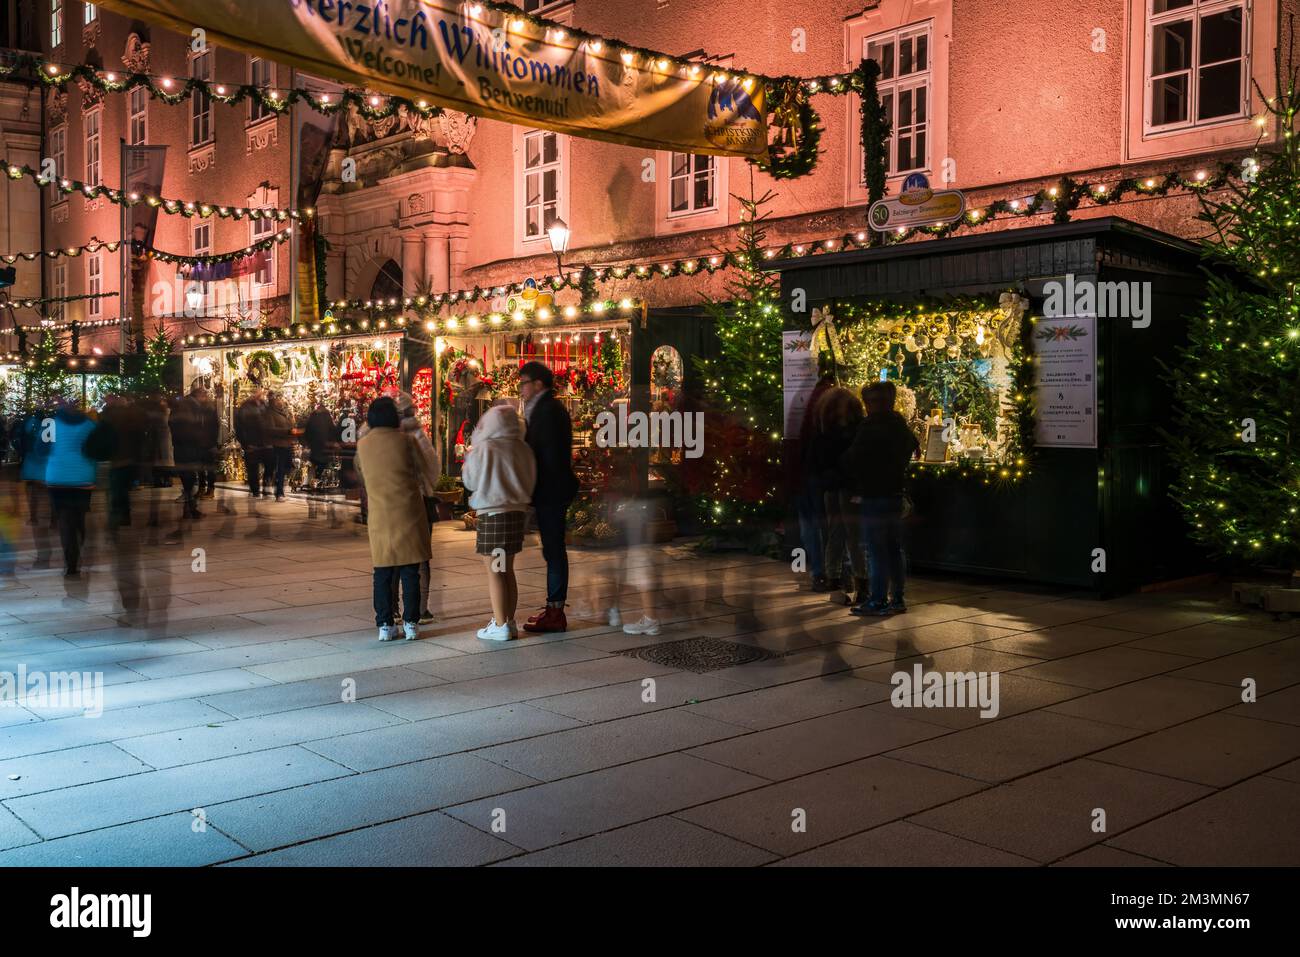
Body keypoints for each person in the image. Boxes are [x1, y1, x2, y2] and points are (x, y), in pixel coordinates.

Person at [841, 380, 920, 616]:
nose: (869, 406)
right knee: (894, 548)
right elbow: (912, 446)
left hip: (875, 493)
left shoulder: (870, 426)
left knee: (876, 550)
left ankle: (877, 599)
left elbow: (853, 458)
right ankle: (897, 597)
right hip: (895, 492)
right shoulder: (899, 425)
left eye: (871, 401)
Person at [355, 397, 431, 642]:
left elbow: (361, 472)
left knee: (383, 572)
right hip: (409, 511)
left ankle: (385, 624)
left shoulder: (363, 445)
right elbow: (423, 469)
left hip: (380, 514)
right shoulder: (407, 441)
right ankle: (411, 623)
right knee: (411, 570)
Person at [462, 403, 537, 641]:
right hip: (516, 514)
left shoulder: (485, 448)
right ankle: (509, 621)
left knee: (494, 570)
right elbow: (532, 479)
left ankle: (500, 623)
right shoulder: (522, 448)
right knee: (507, 569)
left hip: (492, 513)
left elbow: (470, 481)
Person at [518, 361, 578, 634]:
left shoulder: (546, 411)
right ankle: (553, 607)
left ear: (538, 384)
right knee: (552, 549)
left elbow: (546, 455)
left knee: (553, 550)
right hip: (552, 489)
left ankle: (556, 611)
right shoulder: (547, 409)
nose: (521, 390)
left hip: (551, 491)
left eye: (524, 384)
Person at [810, 386, 867, 605]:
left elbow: (817, 462)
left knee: (835, 534)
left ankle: (834, 579)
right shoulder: (857, 430)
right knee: (853, 537)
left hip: (832, 488)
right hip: (848, 488)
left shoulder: (823, 432)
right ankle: (860, 582)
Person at [43, 401, 103, 577]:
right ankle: (78, 546)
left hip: (57, 478)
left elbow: (41, 449)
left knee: (64, 518)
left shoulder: (50, 423)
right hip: (83, 478)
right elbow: (97, 451)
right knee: (79, 517)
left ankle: (71, 560)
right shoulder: (90, 425)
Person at [394, 391, 440, 623]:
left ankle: (392, 607)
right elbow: (434, 470)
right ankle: (421, 608)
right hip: (421, 501)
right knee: (420, 556)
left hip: (394, 502)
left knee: (392, 555)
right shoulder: (419, 436)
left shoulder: (384, 437)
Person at [794, 364, 836, 591]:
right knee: (827, 524)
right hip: (822, 473)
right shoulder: (831, 399)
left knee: (812, 525)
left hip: (809, 472)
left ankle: (820, 573)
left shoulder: (812, 398)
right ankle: (832, 572)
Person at [18, 406, 54, 567]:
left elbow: (23, 440)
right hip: (45, 467)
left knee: (33, 494)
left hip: (32, 464)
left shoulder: (30, 423)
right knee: (47, 495)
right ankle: (52, 518)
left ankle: (34, 516)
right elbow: (48, 446)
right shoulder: (49, 424)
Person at [169, 388, 206, 520]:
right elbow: (197, 428)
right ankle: (191, 509)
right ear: (199, 396)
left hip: (179, 448)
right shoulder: (193, 407)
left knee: (187, 480)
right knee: (190, 479)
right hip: (189, 448)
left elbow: (172, 425)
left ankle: (189, 509)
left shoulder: (178, 407)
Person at [234, 389, 269, 499]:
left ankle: (265, 487)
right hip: (251, 443)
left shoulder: (265, 406)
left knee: (269, 466)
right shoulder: (245, 408)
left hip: (265, 443)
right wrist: (245, 443)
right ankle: (255, 491)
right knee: (253, 468)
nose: (259, 394)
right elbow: (239, 428)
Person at [263, 392, 296, 501]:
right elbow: (271, 430)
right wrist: (287, 431)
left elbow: (290, 426)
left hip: (286, 444)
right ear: (275, 402)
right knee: (279, 469)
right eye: (279, 400)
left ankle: (275, 487)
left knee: (286, 468)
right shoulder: (270, 414)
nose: (281, 402)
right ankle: (279, 493)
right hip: (277, 445)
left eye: (281, 400)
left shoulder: (284, 413)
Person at [195, 386, 220, 499]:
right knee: (201, 467)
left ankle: (210, 489)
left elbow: (214, 426)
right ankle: (202, 488)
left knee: (209, 468)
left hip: (208, 443)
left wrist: (213, 441)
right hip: (201, 442)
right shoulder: (199, 408)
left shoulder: (209, 408)